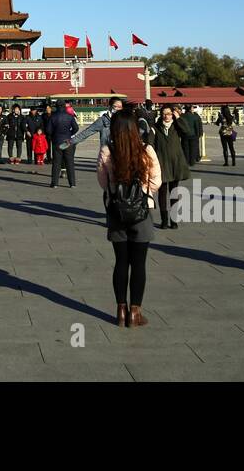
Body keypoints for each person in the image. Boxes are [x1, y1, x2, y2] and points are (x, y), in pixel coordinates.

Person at [98, 109, 161, 327]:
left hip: (117, 211)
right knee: (139, 263)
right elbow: (156, 182)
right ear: (136, 128)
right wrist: (142, 192)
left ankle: (120, 310)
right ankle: (135, 312)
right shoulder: (146, 150)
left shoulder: (107, 151)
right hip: (141, 212)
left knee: (121, 262)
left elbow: (103, 182)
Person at [151, 104, 190, 228]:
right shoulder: (156, 127)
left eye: (168, 113)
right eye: (163, 114)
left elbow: (187, 131)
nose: (166, 116)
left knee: (174, 192)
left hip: (175, 163)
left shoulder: (176, 126)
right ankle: (164, 220)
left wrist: (178, 118)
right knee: (162, 193)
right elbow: (150, 143)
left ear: (172, 114)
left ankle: (174, 220)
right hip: (161, 163)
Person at [46, 100, 79, 187]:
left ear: (56, 106)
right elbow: (76, 128)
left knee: (56, 163)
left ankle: (55, 183)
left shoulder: (53, 117)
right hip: (67, 141)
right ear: (64, 106)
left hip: (57, 141)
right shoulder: (70, 116)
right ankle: (72, 183)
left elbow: (48, 130)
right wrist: (69, 134)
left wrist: (54, 135)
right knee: (70, 163)